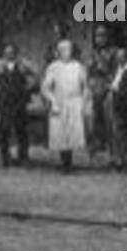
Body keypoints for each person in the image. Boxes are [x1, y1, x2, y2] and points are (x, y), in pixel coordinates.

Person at [0, 42, 37, 168]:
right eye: (7, 53)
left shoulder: (23, 65)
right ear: (3, 54)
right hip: (4, 101)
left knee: (22, 131)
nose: (10, 55)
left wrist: (28, 87)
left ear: (16, 53)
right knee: (4, 130)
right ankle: (5, 158)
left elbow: (36, 75)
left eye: (12, 52)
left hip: (19, 101)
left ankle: (23, 157)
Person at [42, 38, 88, 173]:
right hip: (60, 102)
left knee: (72, 133)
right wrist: (52, 100)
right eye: (62, 50)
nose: (66, 52)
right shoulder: (53, 67)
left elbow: (85, 86)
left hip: (74, 102)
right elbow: (45, 88)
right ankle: (64, 163)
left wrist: (83, 103)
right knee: (61, 133)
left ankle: (70, 161)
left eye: (68, 49)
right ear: (58, 52)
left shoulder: (78, 66)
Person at [86, 25, 117, 162]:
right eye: (98, 36)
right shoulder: (92, 53)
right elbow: (88, 71)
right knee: (92, 122)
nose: (100, 39)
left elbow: (116, 71)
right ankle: (93, 153)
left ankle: (112, 154)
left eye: (103, 35)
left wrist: (110, 85)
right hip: (95, 88)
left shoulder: (113, 52)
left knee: (110, 122)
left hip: (108, 87)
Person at [107, 45, 127, 171]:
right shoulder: (117, 69)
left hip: (126, 105)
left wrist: (116, 90)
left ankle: (125, 160)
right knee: (115, 133)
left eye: (122, 56)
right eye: (118, 56)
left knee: (125, 133)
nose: (119, 58)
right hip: (115, 103)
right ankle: (116, 159)